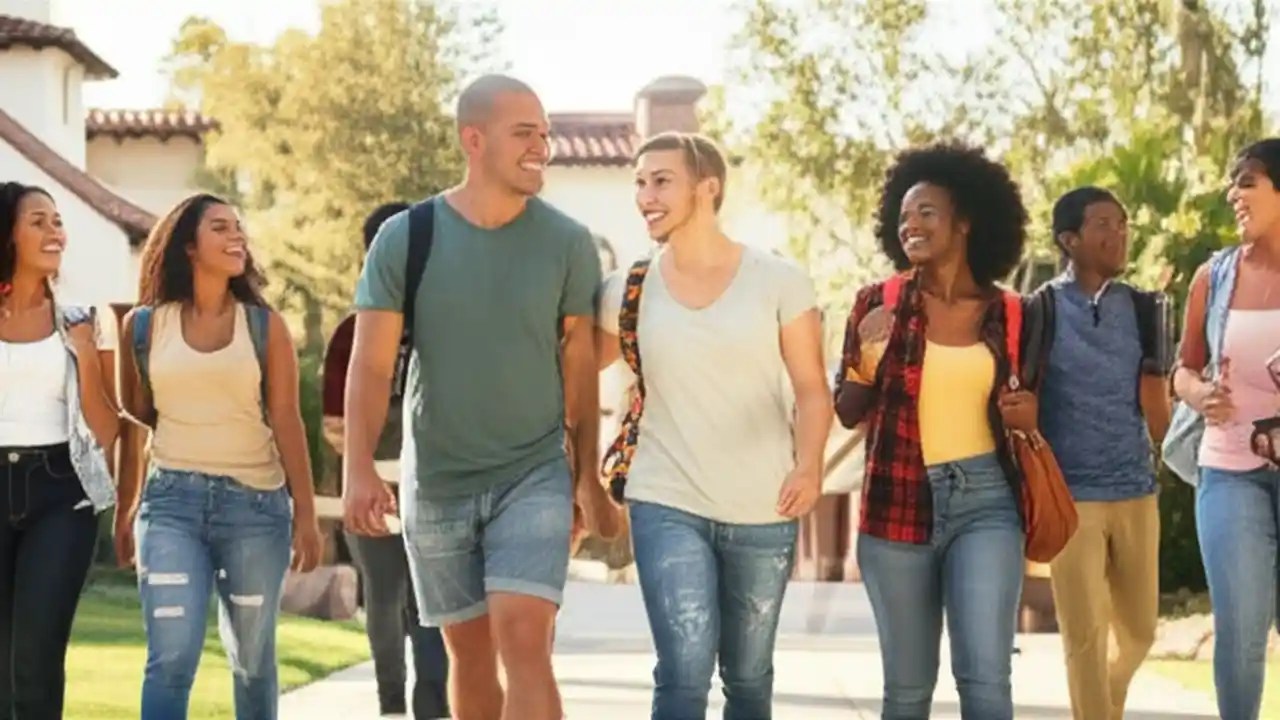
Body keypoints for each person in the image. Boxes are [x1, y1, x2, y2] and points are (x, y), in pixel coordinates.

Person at [342, 73, 616, 720]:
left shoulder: (568, 243)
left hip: (533, 472)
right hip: (437, 479)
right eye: (524, 134)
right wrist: (358, 467)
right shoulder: (406, 237)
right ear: (473, 139)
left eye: (544, 134)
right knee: (467, 653)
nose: (541, 147)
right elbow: (371, 365)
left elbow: (580, 368)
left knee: (525, 639)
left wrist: (586, 476)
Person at [594, 131, 832, 718]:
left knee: (748, 679)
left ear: (708, 188)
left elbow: (811, 388)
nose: (646, 196)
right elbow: (570, 370)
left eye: (661, 181)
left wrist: (809, 466)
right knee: (682, 672)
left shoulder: (778, 280)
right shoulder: (627, 288)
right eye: (639, 183)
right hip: (664, 497)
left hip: (763, 504)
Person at [833, 142, 1037, 719]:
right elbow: (847, 409)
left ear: (964, 221)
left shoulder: (1011, 312)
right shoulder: (877, 302)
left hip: (987, 503)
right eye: (904, 216)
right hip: (895, 500)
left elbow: (1035, 407)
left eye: (927, 212)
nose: (912, 225)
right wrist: (867, 359)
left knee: (986, 680)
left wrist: (1027, 415)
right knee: (906, 690)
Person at [115, 193, 323, 720]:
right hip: (171, 506)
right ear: (189, 246)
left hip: (255, 508)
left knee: (252, 661)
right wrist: (127, 505)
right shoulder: (143, 327)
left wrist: (306, 514)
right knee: (170, 659)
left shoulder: (264, 326)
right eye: (220, 228)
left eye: (239, 228)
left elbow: (287, 420)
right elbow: (135, 419)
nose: (237, 237)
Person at [1035, 187, 1171, 720]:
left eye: (1122, 224)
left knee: (1140, 631)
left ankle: (1103, 707)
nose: (1119, 234)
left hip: (1136, 489)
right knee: (1084, 636)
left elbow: (1156, 399)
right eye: (1103, 225)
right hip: (1070, 497)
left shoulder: (1143, 308)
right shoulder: (1041, 309)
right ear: (1069, 240)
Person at [323, 201, 449, 718]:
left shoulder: (444, 324)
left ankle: (420, 705)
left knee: (418, 599)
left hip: (426, 482)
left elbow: (335, 425)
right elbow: (335, 424)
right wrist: (369, 472)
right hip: (382, 481)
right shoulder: (353, 332)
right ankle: (398, 703)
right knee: (394, 595)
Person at [0, 182, 118, 718]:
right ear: (8, 234)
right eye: (39, 221)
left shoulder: (80, 320)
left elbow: (106, 430)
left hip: (60, 493)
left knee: (37, 657)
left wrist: (86, 354)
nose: (55, 232)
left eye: (58, 221)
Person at [1172, 138, 1280, 720]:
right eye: (1232, 184)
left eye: (1248, 182)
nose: (1234, 194)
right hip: (1230, 469)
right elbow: (1182, 369)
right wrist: (1198, 393)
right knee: (1239, 632)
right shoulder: (1214, 277)